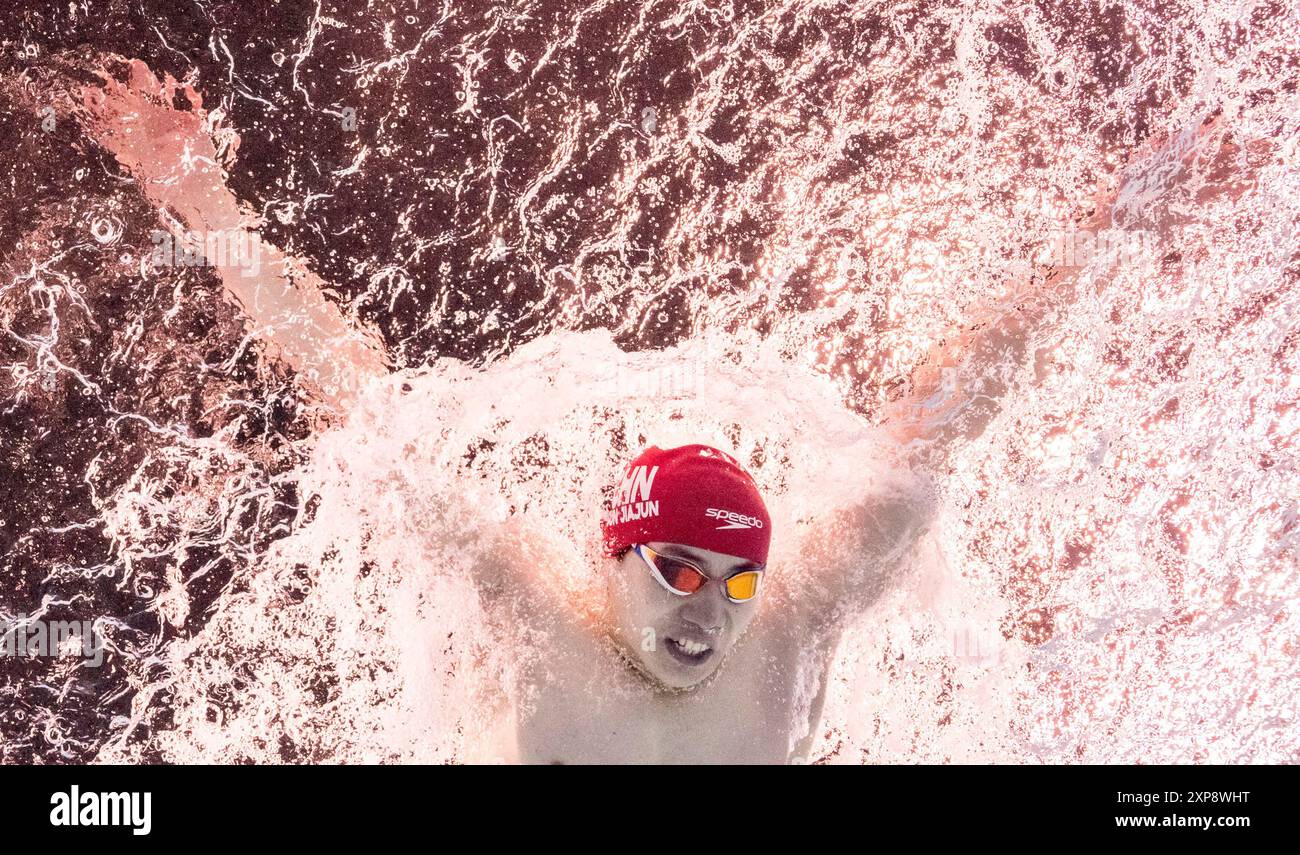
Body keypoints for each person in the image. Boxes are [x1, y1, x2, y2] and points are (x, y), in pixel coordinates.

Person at [71, 58, 1235, 763]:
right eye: (679, 570)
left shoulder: (791, 623)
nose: (713, 614)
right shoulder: (524, 607)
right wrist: (196, 191)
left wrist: (1104, 235)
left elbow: (946, 411)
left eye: (735, 580)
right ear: (611, 552)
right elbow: (355, 396)